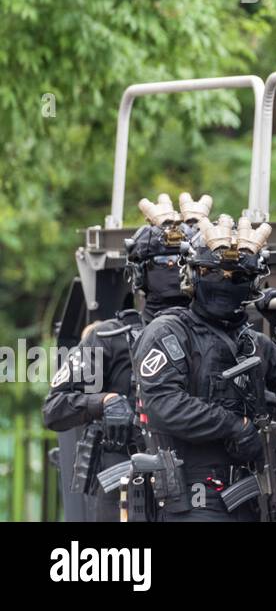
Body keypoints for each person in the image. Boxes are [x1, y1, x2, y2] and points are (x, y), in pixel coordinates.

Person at [132, 213, 276, 521]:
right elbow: (163, 403)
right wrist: (235, 426)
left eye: (237, 276)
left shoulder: (252, 341)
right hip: (191, 499)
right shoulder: (171, 332)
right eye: (212, 272)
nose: (225, 282)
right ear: (193, 275)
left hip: (248, 496)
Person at [43, 193, 206, 521]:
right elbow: (54, 410)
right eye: (162, 263)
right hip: (124, 484)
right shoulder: (110, 339)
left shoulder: (211, 337)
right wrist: (102, 403)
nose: (173, 271)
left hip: (194, 483)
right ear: (140, 273)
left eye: (181, 263)